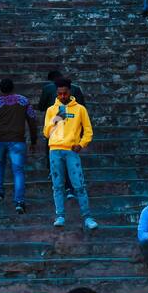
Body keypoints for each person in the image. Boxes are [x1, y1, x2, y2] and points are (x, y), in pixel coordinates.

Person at [43, 79, 97, 229]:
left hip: (71, 151)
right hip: (55, 150)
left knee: (79, 184)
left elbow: (88, 131)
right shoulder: (51, 110)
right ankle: (60, 216)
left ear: (70, 92)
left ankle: (87, 217)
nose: (62, 96)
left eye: (65, 93)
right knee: (57, 185)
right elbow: (46, 133)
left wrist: (81, 144)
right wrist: (56, 119)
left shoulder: (80, 109)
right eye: (59, 94)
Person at [0, 77, 38, 214]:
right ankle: (19, 202)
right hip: (17, 140)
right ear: (13, 88)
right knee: (18, 171)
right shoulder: (24, 101)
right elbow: (32, 121)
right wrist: (33, 141)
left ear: (0, 89)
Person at [38, 70, 84, 201]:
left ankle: (54, 175)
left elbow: (41, 106)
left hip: (55, 131)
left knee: (54, 154)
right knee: (70, 159)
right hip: (71, 131)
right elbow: (82, 109)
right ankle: (70, 188)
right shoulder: (76, 89)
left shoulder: (48, 89)